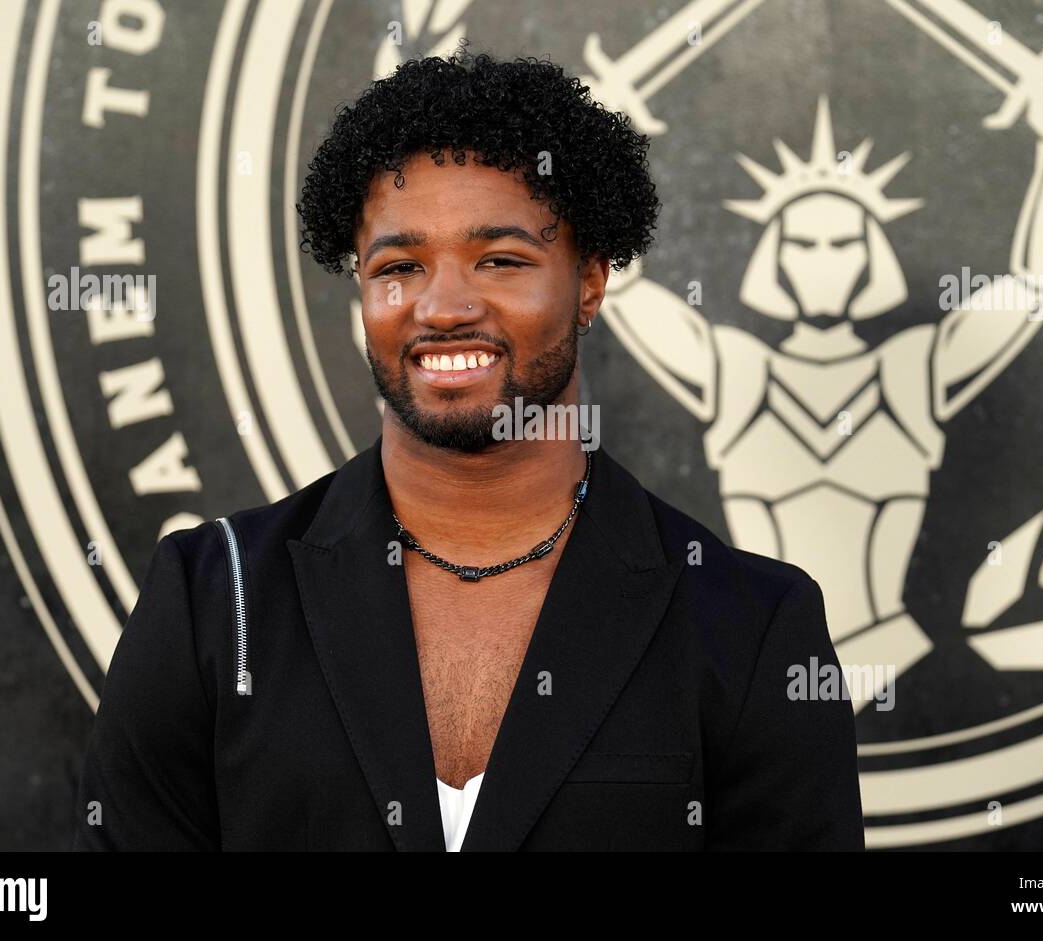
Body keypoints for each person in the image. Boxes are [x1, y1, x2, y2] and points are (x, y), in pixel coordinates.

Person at [73, 45, 863, 851]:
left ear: (589, 281)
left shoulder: (751, 625)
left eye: (500, 260)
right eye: (400, 265)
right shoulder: (213, 602)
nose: (443, 305)